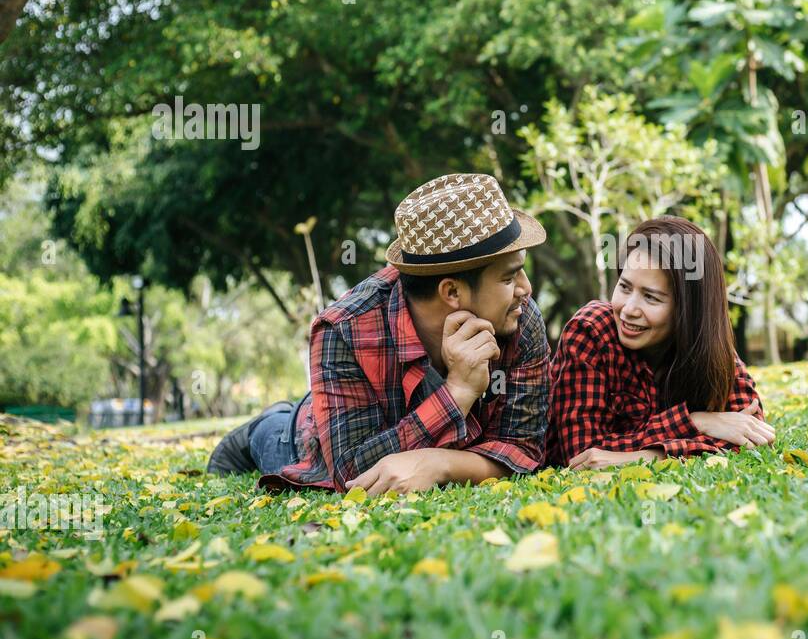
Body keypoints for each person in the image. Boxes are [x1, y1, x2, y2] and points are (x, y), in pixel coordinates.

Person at [206, 173, 550, 495]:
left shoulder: (519, 317)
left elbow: (523, 449)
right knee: (277, 435)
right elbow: (350, 473)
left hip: (369, 417)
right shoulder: (344, 329)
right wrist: (458, 393)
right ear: (452, 293)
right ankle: (260, 427)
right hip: (303, 437)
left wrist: (441, 464)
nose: (526, 288)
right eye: (509, 278)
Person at [546, 216, 774, 470]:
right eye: (624, 287)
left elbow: (752, 436)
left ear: (687, 311)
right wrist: (696, 422)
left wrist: (645, 457)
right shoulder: (591, 331)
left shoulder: (709, 347)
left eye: (651, 298)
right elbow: (582, 455)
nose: (628, 309)